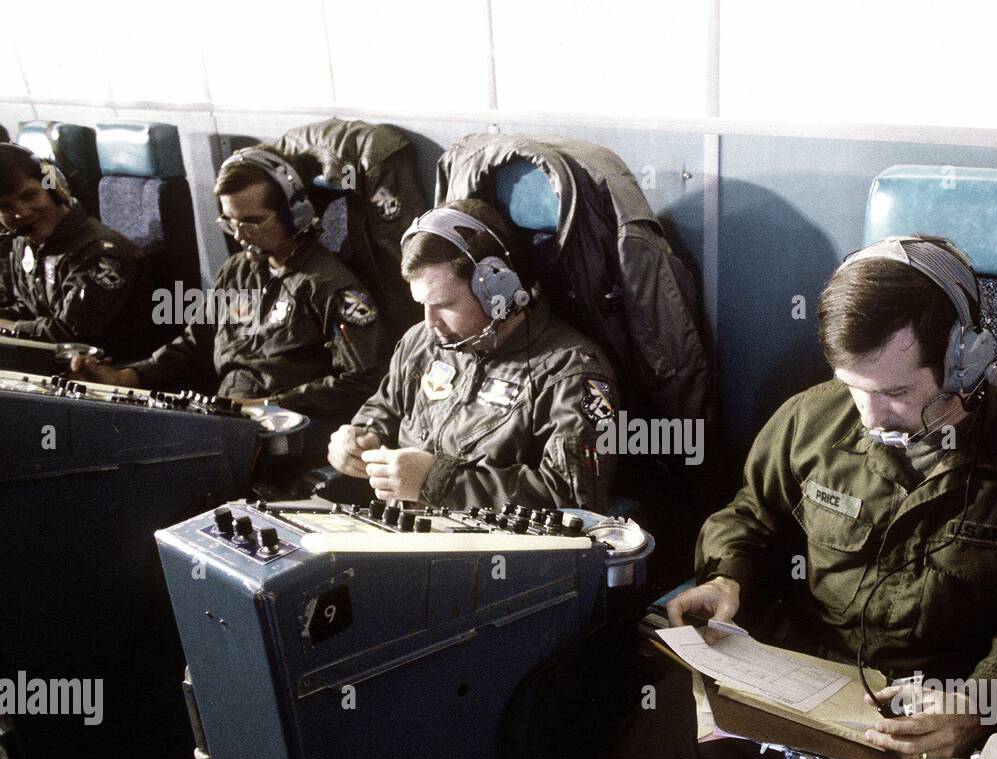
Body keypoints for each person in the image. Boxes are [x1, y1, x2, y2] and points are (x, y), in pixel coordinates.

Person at [565, 235, 997, 759]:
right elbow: (750, 518)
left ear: (966, 359)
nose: (873, 416)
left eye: (898, 392)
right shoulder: (809, 421)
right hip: (792, 690)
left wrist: (977, 701)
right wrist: (729, 580)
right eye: (854, 387)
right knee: (657, 742)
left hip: (917, 722)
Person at [327, 199, 620, 511]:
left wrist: (436, 482)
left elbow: (576, 500)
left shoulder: (570, 372)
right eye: (423, 304)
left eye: (445, 305)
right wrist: (359, 438)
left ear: (497, 290)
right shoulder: (421, 343)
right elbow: (383, 409)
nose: (430, 321)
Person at [69, 145, 385, 420]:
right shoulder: (236, 271)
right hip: (227, 412)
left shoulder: (330, 286)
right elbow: (196, 344)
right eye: (229, 221)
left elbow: (359, 381)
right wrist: (128, 377)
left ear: (295, 213)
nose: (238, 235)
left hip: (287, 426)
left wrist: (267, 405)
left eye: (251, 222)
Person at [0, 143, 155, 360]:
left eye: (30, 196)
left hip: (104, 373)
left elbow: (71, 336)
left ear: (53, 189)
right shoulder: (23, 243)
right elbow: (22, 305)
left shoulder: (101, 256)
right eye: (6, 207)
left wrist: (8, 327)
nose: (22, 212)